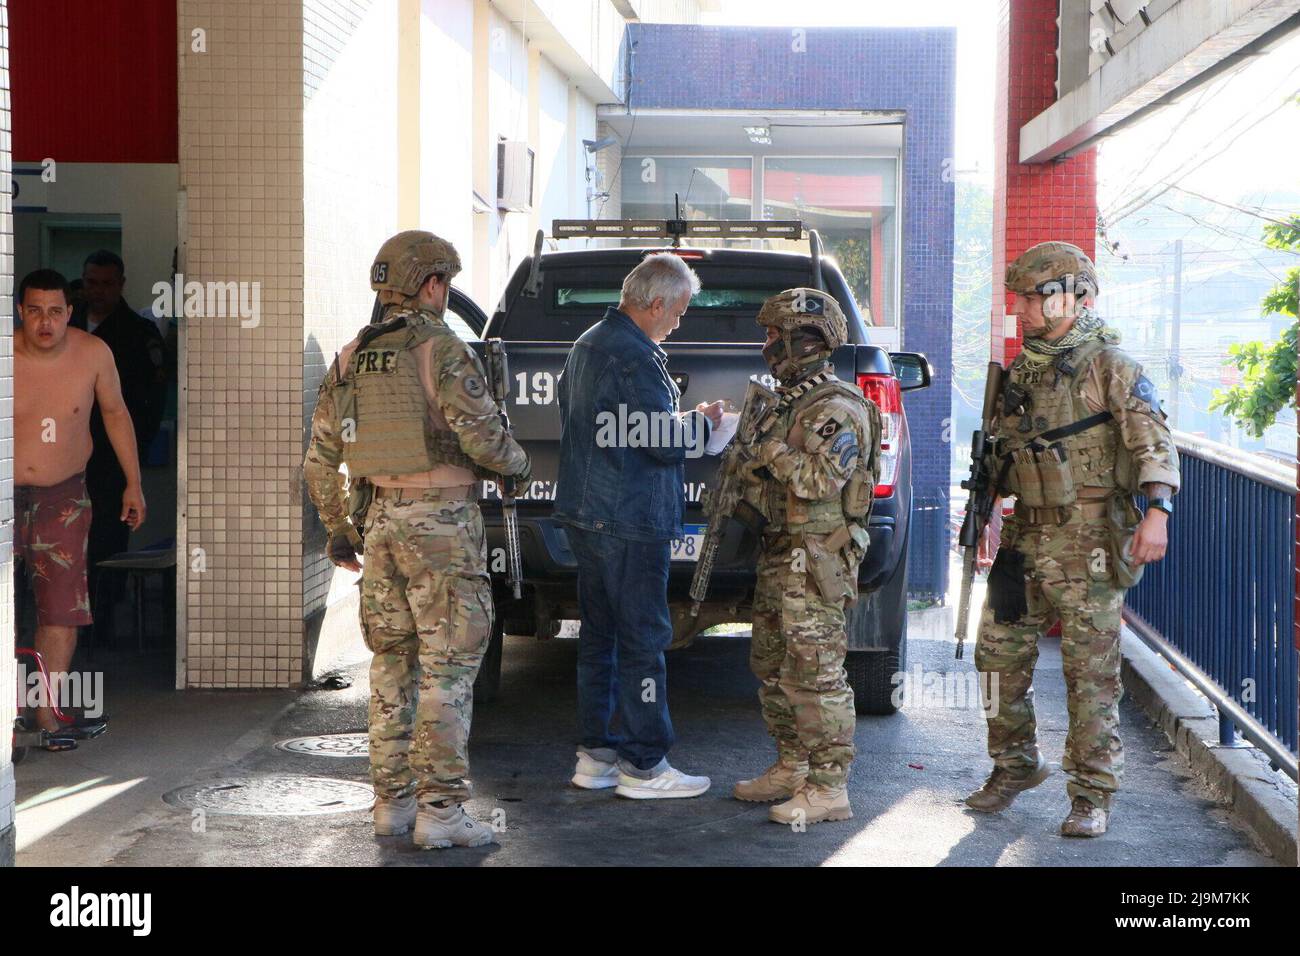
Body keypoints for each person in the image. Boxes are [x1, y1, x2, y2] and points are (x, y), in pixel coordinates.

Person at [303, 231, 531, 849]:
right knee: (448, 669)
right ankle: (443, 812)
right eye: (446, 284)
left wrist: (339, 531)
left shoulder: (354, 354)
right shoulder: (443, 349)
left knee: (392, 667)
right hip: (441, 528)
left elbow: (320, 460)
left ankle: (392, 806)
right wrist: (518, 467)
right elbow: (484, 440)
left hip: (377, 526)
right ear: (432, 284)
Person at [966, 242, 1180, 837]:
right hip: (1022, 538)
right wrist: (986, 509)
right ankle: (1014, 765)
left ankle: (1091, 794)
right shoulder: (1020, 372)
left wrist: (1156, 511)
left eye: (1031, 299)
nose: (1021, 311)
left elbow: (1152, 443)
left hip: (1087, 538)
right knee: (995, 660)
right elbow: (1002, 453)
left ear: (1071, 297)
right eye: (1019, 300)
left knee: (1090, 674)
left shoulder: (1112, 366)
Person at [554, 253, 724, 799]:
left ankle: (595, 757)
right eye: (678, 312)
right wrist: (703, 423)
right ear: (656, 304)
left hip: (588, 515)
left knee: (598, 639)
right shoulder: (636, 357)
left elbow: (604, 426)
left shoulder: (587, 344)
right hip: (631, 520)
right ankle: (646, 767)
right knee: (643, 641)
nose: (679, 322)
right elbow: (661, 440)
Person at [729, 288, 881, 825]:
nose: (768, 345)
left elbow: (818, 480)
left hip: (817, 558)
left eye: (776, 335)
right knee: (771, 665)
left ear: (804, 340)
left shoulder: (836, 408)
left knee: (815, 673)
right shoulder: (790, 402)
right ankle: (792, 766)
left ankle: (829, 787)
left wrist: (767, 447)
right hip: (781, 551)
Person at [14, 269, 146, 743]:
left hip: (64, 495)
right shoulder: (4, 356)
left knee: (61, 611)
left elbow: (115, 413)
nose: (45, 322)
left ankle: (45, 717)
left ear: (70, 313)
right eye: (35, 311)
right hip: (5, 495)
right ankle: (7, 723)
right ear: (20, 311)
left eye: (54, 312)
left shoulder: (92, 354)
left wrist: (134, 483)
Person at [70, 250, 166, 620]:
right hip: (64, 457)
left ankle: (104, 621)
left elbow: (149, 403)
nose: (98, 291)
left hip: (111, 461)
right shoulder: (67, 324)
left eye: (107, 284)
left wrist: (132, 458)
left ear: (121, 284)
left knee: (107, 543)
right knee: (65, 544)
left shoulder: (137, 334)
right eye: (91, 282)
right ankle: (69, 624)